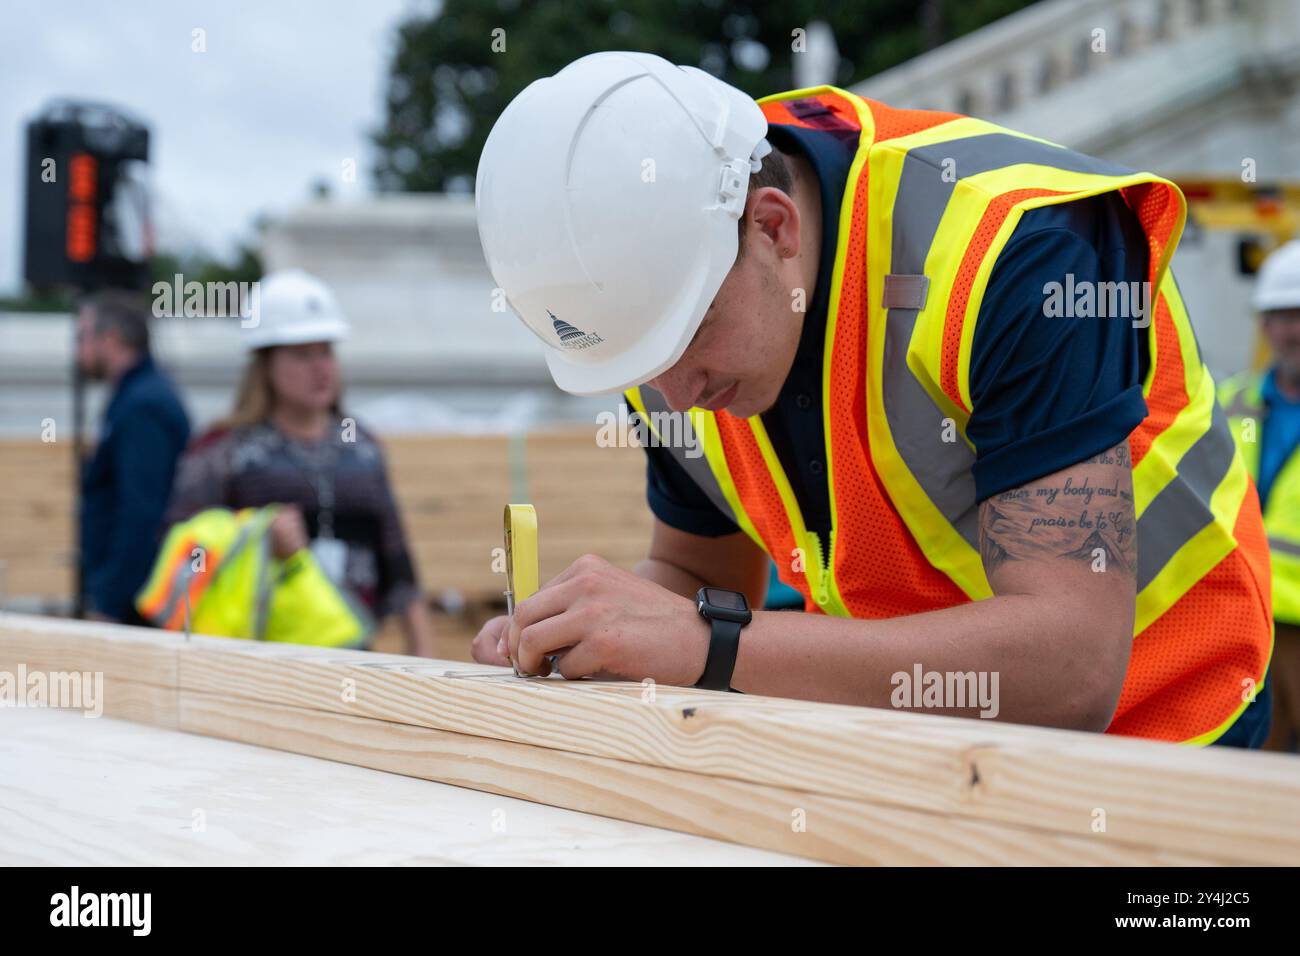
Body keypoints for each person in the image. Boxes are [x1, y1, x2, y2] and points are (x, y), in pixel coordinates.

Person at [471, 51, 1273, 746]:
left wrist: (709, 645)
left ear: (773, 227)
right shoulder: (668, 294)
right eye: (637, 366)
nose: (674, 395)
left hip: (1166, 730)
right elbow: (698, 573)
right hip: (916, 738)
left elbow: (1069, 667)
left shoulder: (1013, 250)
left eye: (686, 337)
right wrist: (592, 635)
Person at [162, 269, 435, 656]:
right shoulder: (221, 452)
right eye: (301, 354)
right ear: (265, 364)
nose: (320, 367)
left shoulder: (363, 448)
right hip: (254, 659)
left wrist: (422, 657)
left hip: (353, 650)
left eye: (326, 351)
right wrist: (255, 538)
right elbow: (180, 556)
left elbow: (398, 564)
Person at [1220, 240, 1300, 752]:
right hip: (1242, 625)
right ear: (1264, 325)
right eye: (1280, 315)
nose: (1293, 330)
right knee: (1252, 773)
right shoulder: (1228, 404)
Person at [76, 289, 190, 624]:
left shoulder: (143, 406)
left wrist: (110, 602)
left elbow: (141, 513)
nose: (78, 350)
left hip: (137, 605)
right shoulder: (137, 396)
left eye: (83, 336)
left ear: (109, 340)